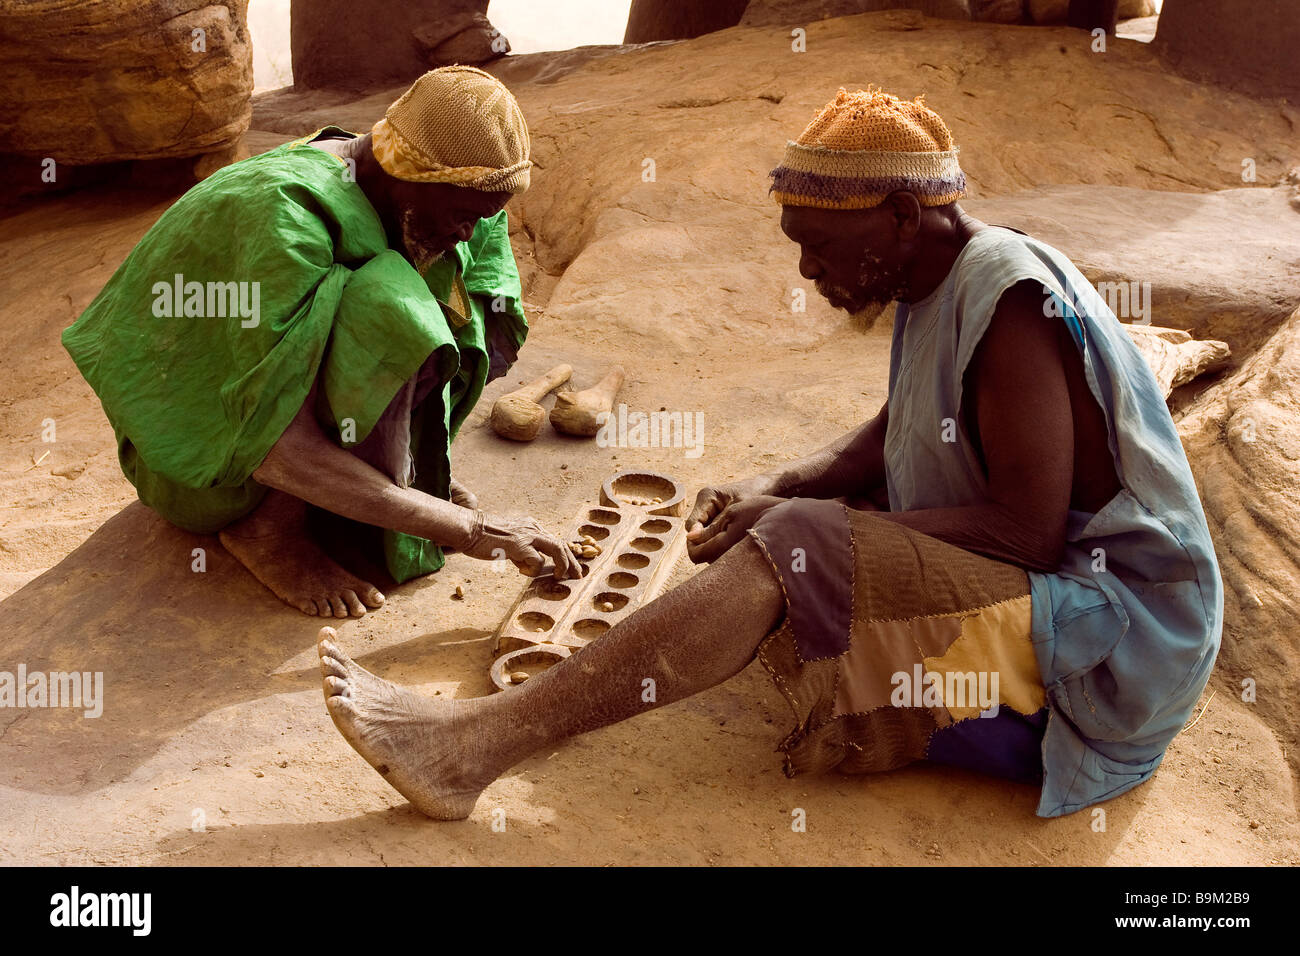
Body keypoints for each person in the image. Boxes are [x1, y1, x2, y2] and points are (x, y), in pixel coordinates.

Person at [314, 86, 1222, 820]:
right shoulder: (935, 271)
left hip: (1109, 655)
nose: (806, 274)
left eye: (822, 247)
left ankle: (471, 748)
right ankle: (825, 634)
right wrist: (782, 480)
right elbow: (906, 425)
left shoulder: (1012, 302)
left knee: (803, 547)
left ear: (904, 214)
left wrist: (805, 520)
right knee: (803, 531)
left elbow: (1024, 531)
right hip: (1053, 606)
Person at [63, 66, 581, 618]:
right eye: (460, 213)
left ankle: (391, 476)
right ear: (410, 173)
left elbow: (479, 264)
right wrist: (473, 531)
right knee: (390, 310)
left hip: (283, 435)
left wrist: (427, 473)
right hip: (209, 459)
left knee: (456, 280)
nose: (465, 229)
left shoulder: (402, 181)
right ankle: (268, 528)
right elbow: (277, 447)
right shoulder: (284, 213)